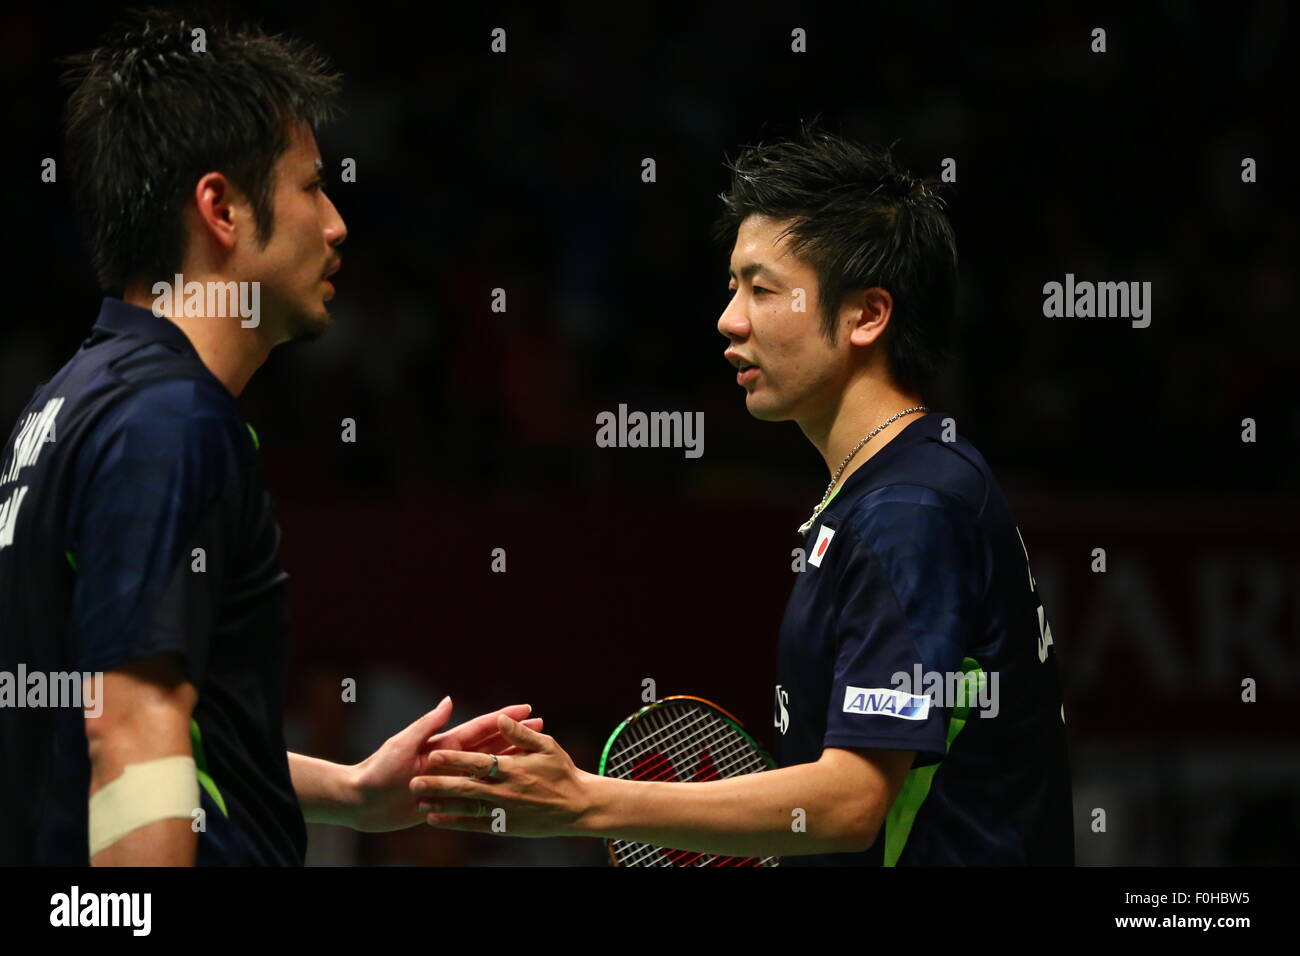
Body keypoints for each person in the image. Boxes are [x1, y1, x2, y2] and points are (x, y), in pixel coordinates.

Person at [412, 128, 1074, 865]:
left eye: (762, 289)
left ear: (866, 315)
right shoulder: (891, 487)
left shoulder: (909, 509)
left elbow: (852, 800)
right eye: (733, 288)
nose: (730, 319)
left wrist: (582, 802)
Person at [0, 10, 537, 866]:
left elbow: (139, 728)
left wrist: (355, 794)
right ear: (220, 207)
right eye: (310, 186)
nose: (336, 224)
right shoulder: (167, 420)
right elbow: (134, 737)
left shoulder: (66, 405)